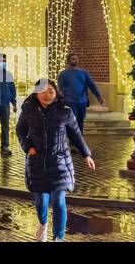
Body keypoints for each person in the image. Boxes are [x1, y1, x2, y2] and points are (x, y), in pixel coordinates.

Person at [15, 78, 95, 241]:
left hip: (60, 161)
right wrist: (28, 147)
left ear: (56, 93)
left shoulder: (65, 111)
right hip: (37, 163)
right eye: (43, 92)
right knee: (41, 203)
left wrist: (86, 154)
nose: (47, 95)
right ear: (36, 94)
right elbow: (20, 130)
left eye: (50, 91)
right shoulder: (29, 110)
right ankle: (43, 223)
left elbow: (76, 134)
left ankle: (58, 237)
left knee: (59, 201)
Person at [57, 55, 104, 131]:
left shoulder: (83, 73)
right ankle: (73, 139)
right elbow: (60, 88)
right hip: (70, 101)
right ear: (68, 61)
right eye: (73, 59)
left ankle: (80, 138)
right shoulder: (63, 74)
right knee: (72, 120)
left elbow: (91, 84)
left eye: (76, 59)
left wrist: (98, 96)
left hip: (82, 101)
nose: (75, 60)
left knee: (80, 121)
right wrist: (61, 99)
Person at [0, 54, 17, 155]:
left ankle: (5, 146)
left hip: (5, 104)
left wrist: (14, 103)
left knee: (5, 126)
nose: (3, 63)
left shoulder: (8, 75)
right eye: (1, 61)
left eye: (5, 61)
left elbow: (12, 89)